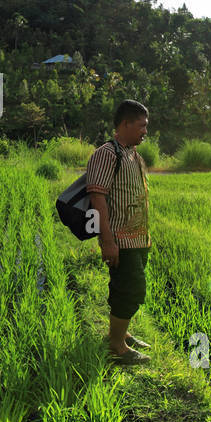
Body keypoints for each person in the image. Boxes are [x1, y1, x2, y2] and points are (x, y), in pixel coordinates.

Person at [83, 99, 154, 366]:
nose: (145, 131)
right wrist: (107, 240)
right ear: (125, 124)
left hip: (138, 238)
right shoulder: (107, 153)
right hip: (121, 239)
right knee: (131, 289)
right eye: (141, 126)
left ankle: (121, 333)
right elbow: (97, 198)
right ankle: (116, 346)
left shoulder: (134, 154)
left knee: (124, 288)